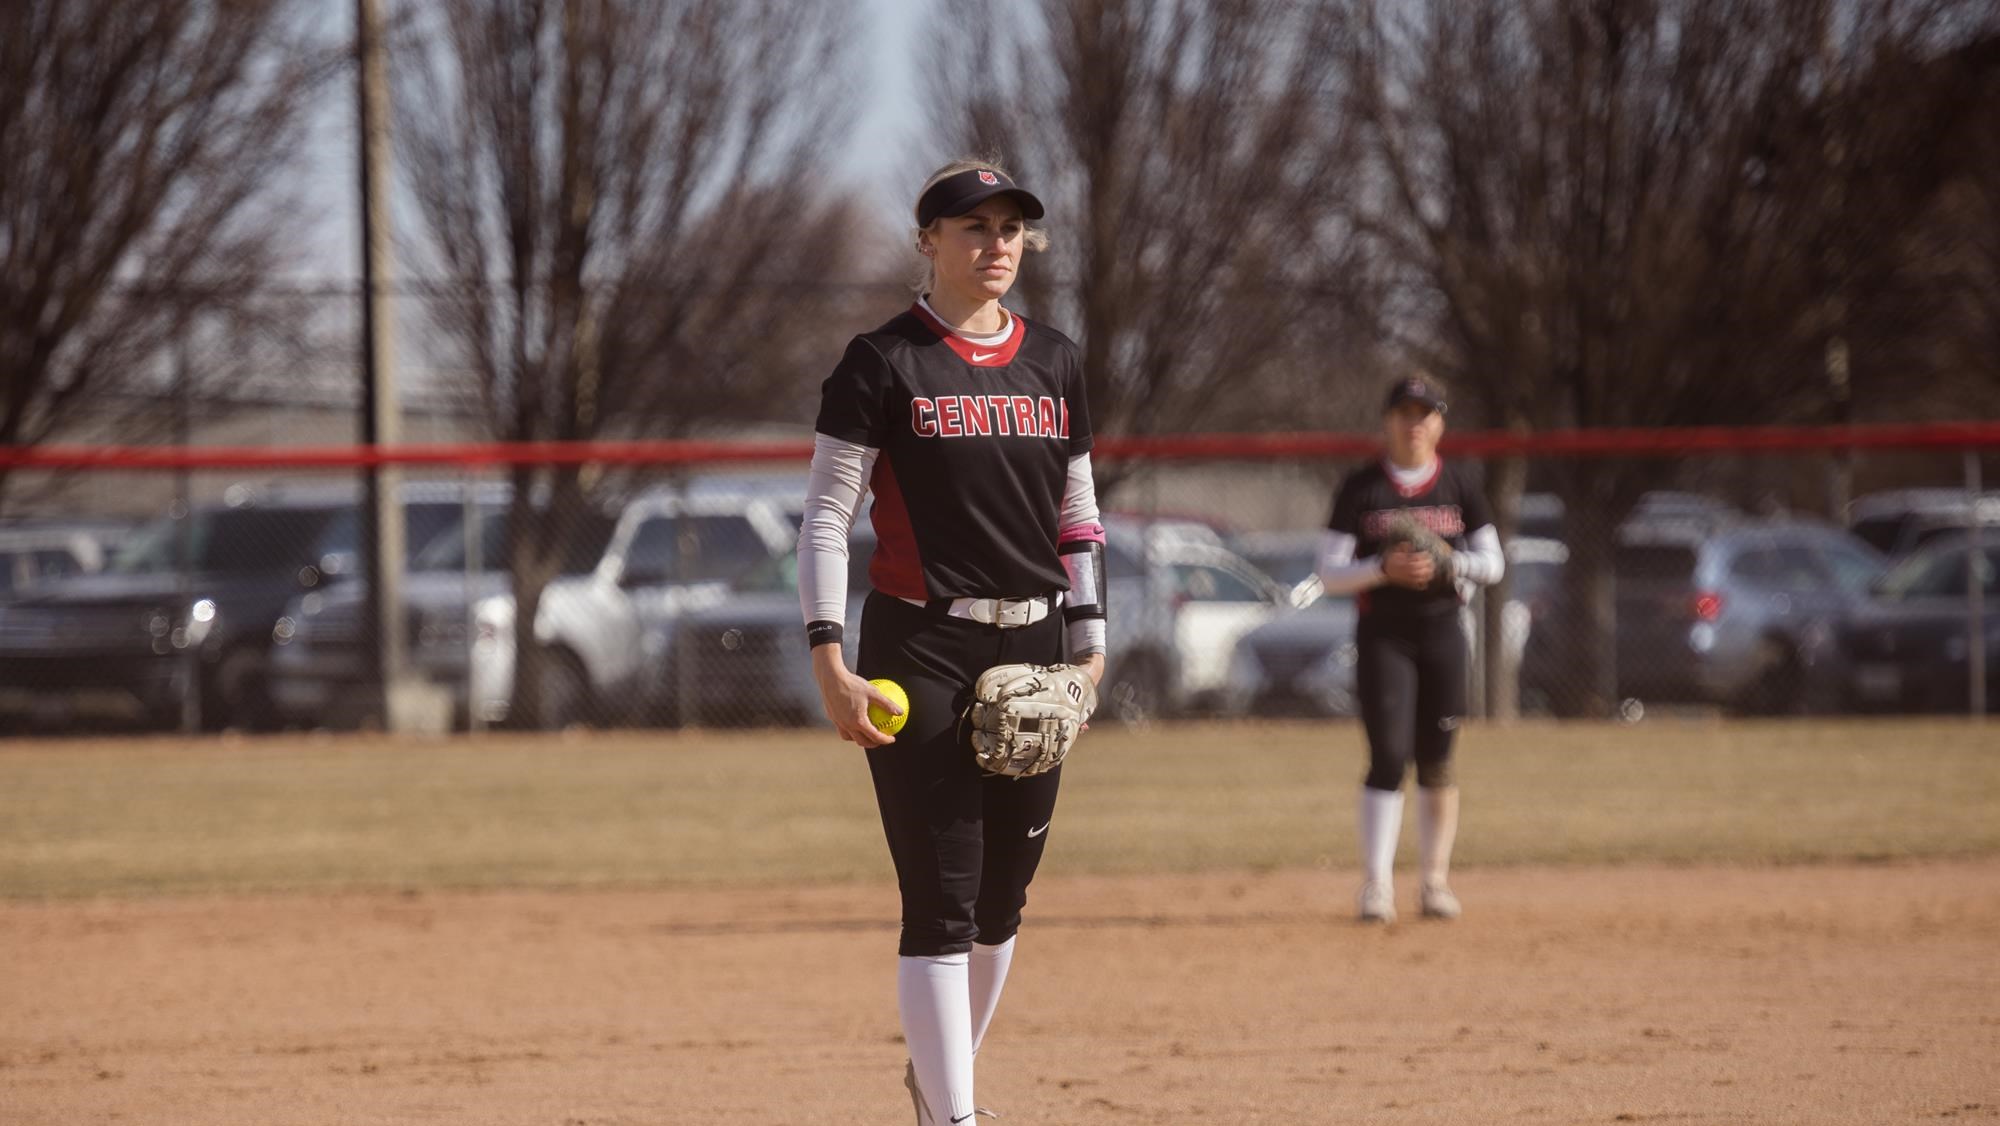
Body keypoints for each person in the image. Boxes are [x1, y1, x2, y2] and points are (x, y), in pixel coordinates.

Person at [796, 157, 1108, 1125]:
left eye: (1009, 227)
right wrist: (828, 656)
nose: (995, 244)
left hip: (1038, 646)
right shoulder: (882, 361)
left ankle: (939, 1087)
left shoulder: (1053, 360)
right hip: (921, 648)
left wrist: (1091, 644)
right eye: (972, 227)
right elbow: (824, 515)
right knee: (942, 897)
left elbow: (1078, 511)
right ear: (926, 242)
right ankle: (959, 1118)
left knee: (1004, 902)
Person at [1316, 375, 1504, 924]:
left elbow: (1493, 564)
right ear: (1387, 420)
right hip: (1384, 638)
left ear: (1441, 423)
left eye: (1425, 412)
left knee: (1439, 759)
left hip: (1444, 632)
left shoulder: (1462, 485)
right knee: (1389, 756)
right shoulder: (1362, 488)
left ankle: (1434, 883)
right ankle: (1376, 887)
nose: (1414, 422)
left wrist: (1449, 562)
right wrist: (1382, 568)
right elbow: (1328, 573)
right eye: (1404, 411)